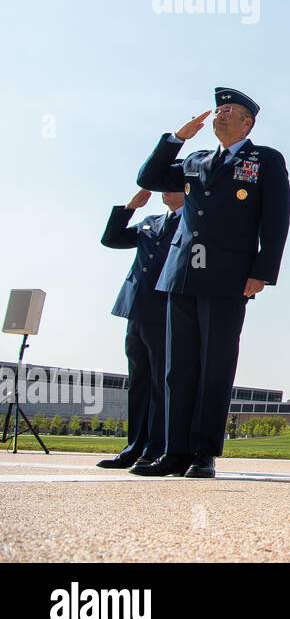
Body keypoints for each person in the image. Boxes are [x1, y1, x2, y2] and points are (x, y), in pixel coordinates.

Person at [130, 88, 290, 479]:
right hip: (181, 274)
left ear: (247, 122)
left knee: (214, 365)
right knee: (176, 368)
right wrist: (176, 139)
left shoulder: (264, 160)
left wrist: (262, 272)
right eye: (218, 109)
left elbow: (276, 219)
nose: (219, 114)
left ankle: (203, 453)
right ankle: (173, 452)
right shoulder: (195, 160)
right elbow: (149, 178)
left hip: (229, 276)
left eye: (229, 110)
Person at [96, 188, 183, 469]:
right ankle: (133, 448)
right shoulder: (151, 222)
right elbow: (111, 239)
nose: (164, 192)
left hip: (164, 310)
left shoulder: (191, 222)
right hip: (136, 308)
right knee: (139, 383)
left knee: (160, 383)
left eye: (172, 187)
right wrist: (130, 208)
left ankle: (154, 447)